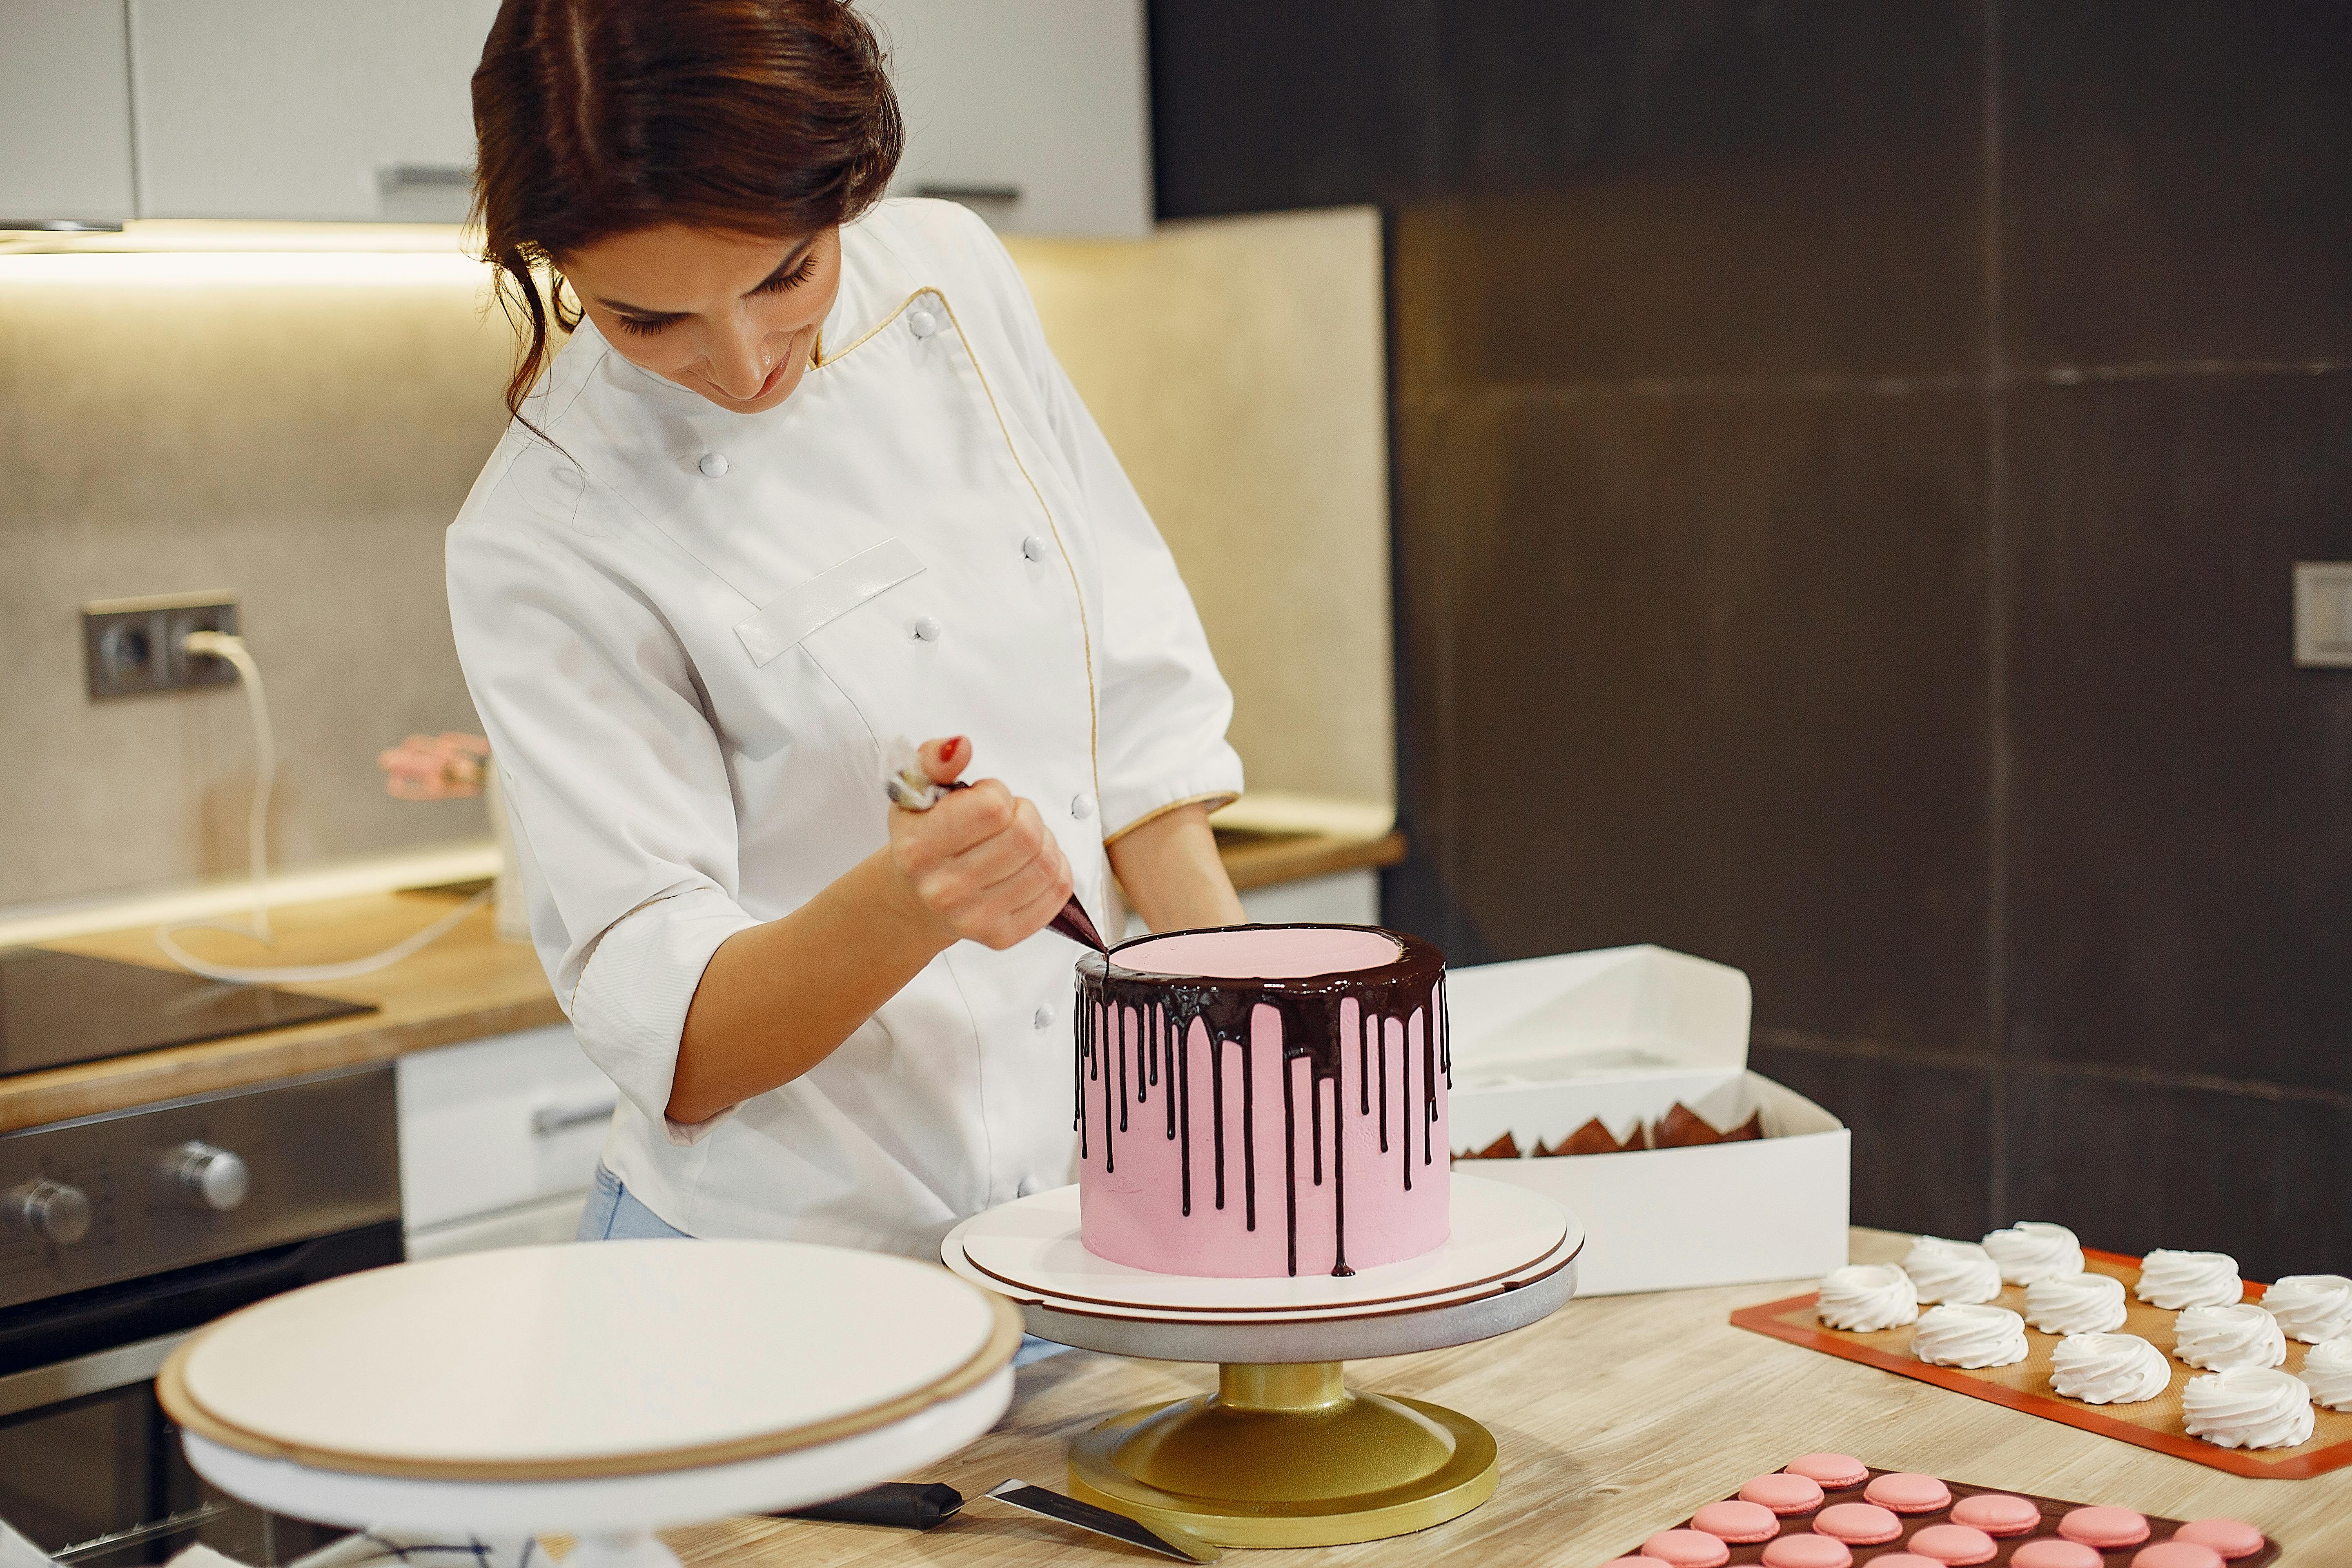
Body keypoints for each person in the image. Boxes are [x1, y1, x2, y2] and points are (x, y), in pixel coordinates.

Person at [450, 0, 1245, 1261]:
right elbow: (687, 1052)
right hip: (777, 1274)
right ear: (551, 267)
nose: (746, 360)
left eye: (786, 276)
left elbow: (1130, 706)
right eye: (645, 321)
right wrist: (908, 901)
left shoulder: (953, 273)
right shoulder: (540, 535)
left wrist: (1242, 1044)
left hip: (1082, 1223)